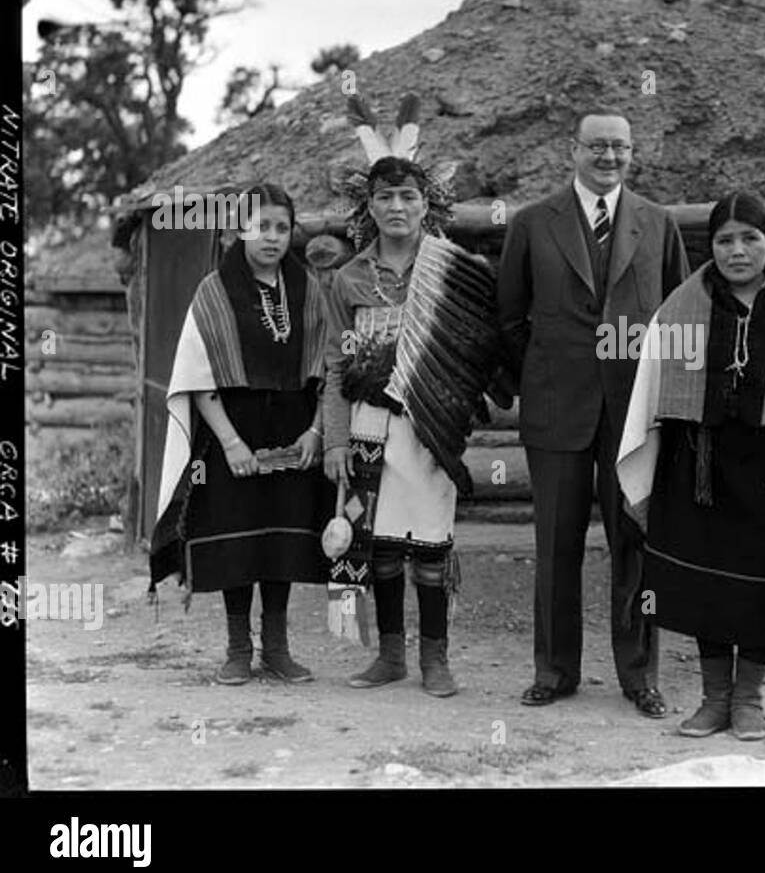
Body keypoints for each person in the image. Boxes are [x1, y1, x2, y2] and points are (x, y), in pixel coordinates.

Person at [497, 107, 689, 717]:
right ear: (572, 151)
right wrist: (544, 373)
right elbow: (508, 318)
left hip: (634, 413)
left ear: (634, 154)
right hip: (559, 409)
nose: (609, 158)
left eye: (621, 148)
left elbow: (680, 319)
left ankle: (640, 676)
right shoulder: (532, 224)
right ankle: (555, 671)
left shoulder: (658, 224)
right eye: (597, 146)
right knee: (556, 546)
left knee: (637, 544)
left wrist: (666, 404)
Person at [618, 191, 765, 740]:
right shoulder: (681, 309)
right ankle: (714, 699)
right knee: (705, 584)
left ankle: (750, 700)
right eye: (725, 240)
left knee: (760, 585)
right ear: (710, 247)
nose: (737, 251)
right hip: (697, 468)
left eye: (750, 239)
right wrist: (643, 472)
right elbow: (649, 392)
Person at [151, 183, 330, 685]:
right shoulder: (213, 290)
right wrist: (230, 443)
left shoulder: (309, 288)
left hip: (294, 433)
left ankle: (276, 647)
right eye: (259, 227)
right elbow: (196, 376)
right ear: (239, 230)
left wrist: (316, 431)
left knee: (281, 537)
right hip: (232, 432)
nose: (271, 237)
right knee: (239, 538)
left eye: (280, 227)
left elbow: (327, 367)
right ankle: (236, 648)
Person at [322, 156, 465, 698]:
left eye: (407, 196)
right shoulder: (349, 278)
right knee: (377, 545)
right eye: (385, 197)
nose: (397, 207)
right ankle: (390, 655)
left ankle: (436, 658)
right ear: (370, 205)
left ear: (426, 204)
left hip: (429, 428)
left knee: (430, 546)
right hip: (367, 427)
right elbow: (335, 363)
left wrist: (451, 415)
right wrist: (335, 438)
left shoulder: (449, 268)